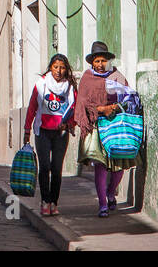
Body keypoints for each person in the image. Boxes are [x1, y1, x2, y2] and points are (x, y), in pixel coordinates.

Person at [77, 41, 137, 217]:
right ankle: (102, 204)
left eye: (103, 61)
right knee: (100, 165)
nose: (100, 64)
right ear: (92, 62)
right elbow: (82, 103)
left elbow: (130, 97)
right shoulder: (87, 78)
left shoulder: (116, 76)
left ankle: (111, 192)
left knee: (119, 164)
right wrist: (100, 109)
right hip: (96, 126)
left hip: (116, 125)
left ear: (108, 61)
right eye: (97, 61)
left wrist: (115, 107)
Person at [23, 53, 78, 217]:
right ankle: (45, 201)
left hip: (61, 133)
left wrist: (69, 124)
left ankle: (54, 202)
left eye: (62, 68)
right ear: (50, 68)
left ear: (66, 69)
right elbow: (32, 107)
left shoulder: (70, 87)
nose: (59, 71)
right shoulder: (41, 84)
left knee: (56, 168)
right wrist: (27, 130)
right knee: (45, 166)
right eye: (56, 67)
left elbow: (75, 109)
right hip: (43, 132)